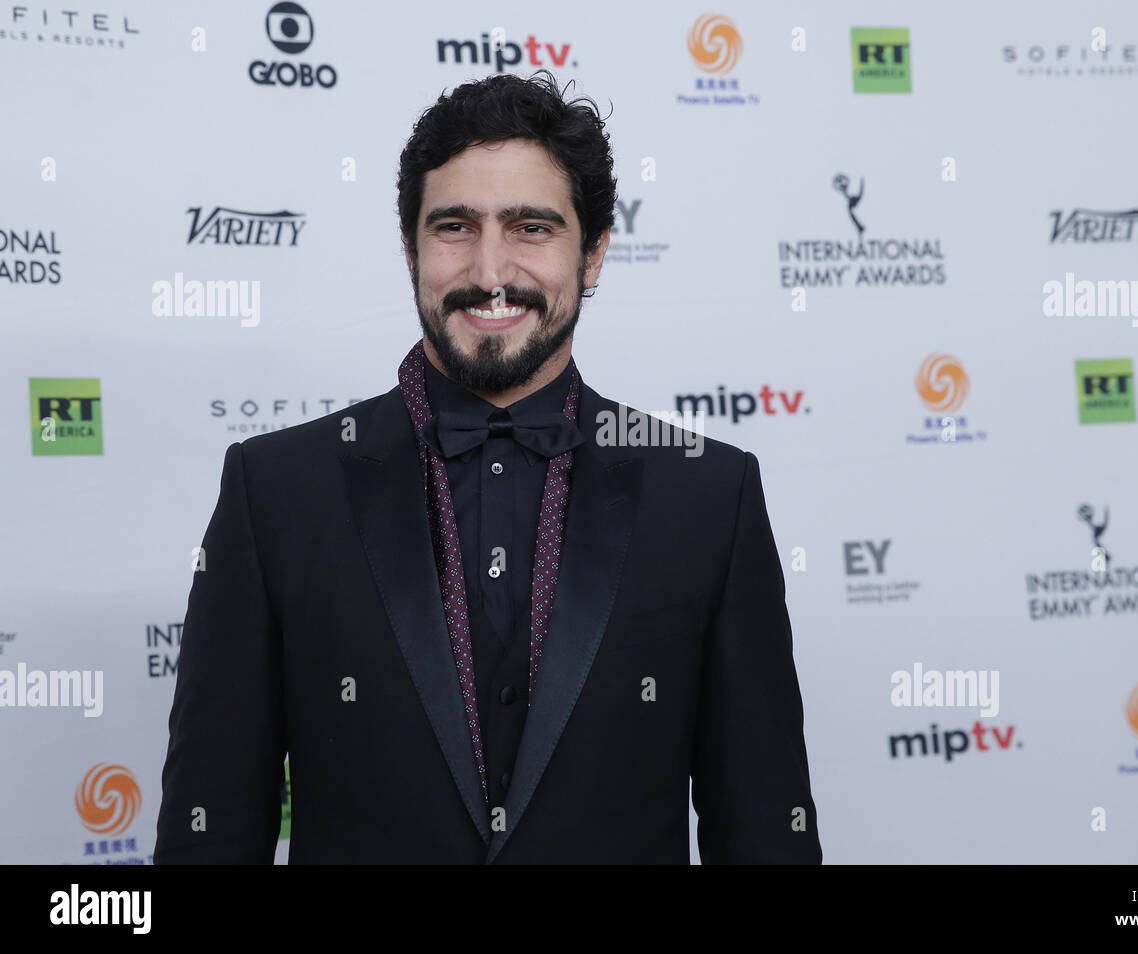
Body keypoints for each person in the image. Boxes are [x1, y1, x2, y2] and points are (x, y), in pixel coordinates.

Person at [154, 70, 820, 864]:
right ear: (411, 249)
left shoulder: (710, 494)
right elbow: (211, 830)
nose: (491, 270)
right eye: (455, 227)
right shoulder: (277, 491)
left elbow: (764, 833)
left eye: (532, 227)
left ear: (595, 252)